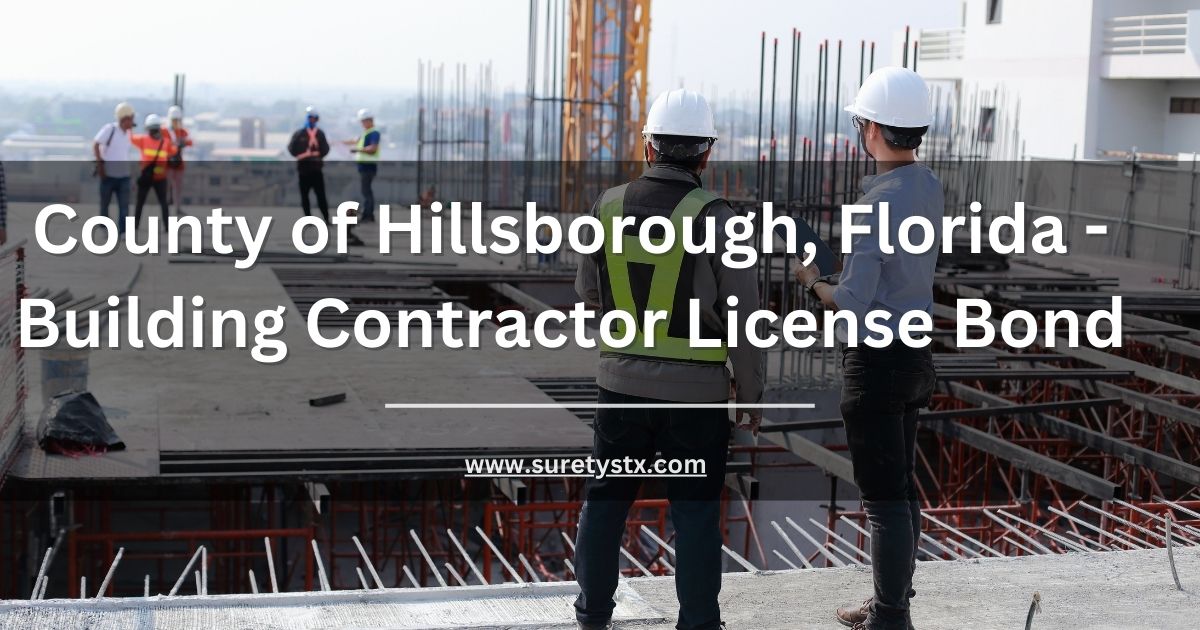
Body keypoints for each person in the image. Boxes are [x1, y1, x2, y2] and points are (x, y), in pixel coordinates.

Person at [573, 89, 762, 630]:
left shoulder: (606, 205)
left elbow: (590, 294)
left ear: (648, 148)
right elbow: (746, 322)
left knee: (605, 504)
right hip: (696, 400)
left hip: (619, 388)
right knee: (697, 512)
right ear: (705, 155)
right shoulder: (722, 220)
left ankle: (592, 616)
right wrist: (749, 397)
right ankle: (699, 622)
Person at [793, 66, 941, 630]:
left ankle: (891, 617)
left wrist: (812, 280)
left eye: (860, 123)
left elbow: (851, 301)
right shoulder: (927, 185)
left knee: (883, 501)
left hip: (875, 361)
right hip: (914, 354)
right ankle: (889, 604)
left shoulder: (876, 201)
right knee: (902, 490)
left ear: (873, 128)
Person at [93, 102, 137, 234]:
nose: (133, 122)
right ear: (125, 118)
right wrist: (100, 163)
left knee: (124, 207)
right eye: (131, 118)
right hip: (108, 176)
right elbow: (96, 144)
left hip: (124, 176)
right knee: (104, 205)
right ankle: (105, 229)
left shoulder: (128, 134)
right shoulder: (110, 129)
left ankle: (123, 232)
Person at [131, 114, 177, 231]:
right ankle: (167, 227)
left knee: (140, 202)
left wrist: (131, 126)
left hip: (147, 176)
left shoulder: (143, 140)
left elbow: (130, 138)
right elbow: (174, 150)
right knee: (163, 202)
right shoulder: (165, 142)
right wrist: (167, 134)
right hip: (160, 177)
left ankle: (135, 226)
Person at [287, 106, 331, 222]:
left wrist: (316, 155)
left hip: (316, 169)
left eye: (314, 118)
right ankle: (308, 218)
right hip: (303, 170)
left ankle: (326, 218)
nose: (312, 120)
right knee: (305, 196)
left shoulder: (319, 134)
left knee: (321, 195)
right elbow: (291, 148)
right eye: (310, 118)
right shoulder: (299, 134)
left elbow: (325, 149)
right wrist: (303, 155)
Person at [344, 108, 381, 222]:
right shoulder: (366, 133)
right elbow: (354, 141)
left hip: (368, 167)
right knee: (365, 191)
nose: (362, 124)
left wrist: (358, 150)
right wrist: (338, 143)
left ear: (369, 121)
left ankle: (368, 215)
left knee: (366, 191)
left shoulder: (374, 133)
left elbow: (373, 148)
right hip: (364, 167)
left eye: (363, 121)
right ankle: (367, 214)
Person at [165, 105, 193, 216]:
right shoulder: (165, 131)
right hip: (167, 163)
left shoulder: (183, 132)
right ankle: (166, 208)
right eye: (174, 119)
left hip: (179, 163)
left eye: (177, 119)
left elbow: (190, 142)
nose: (176, 121)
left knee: (178, 187)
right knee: (167, 187)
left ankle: (177, 208)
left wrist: (183, 143)